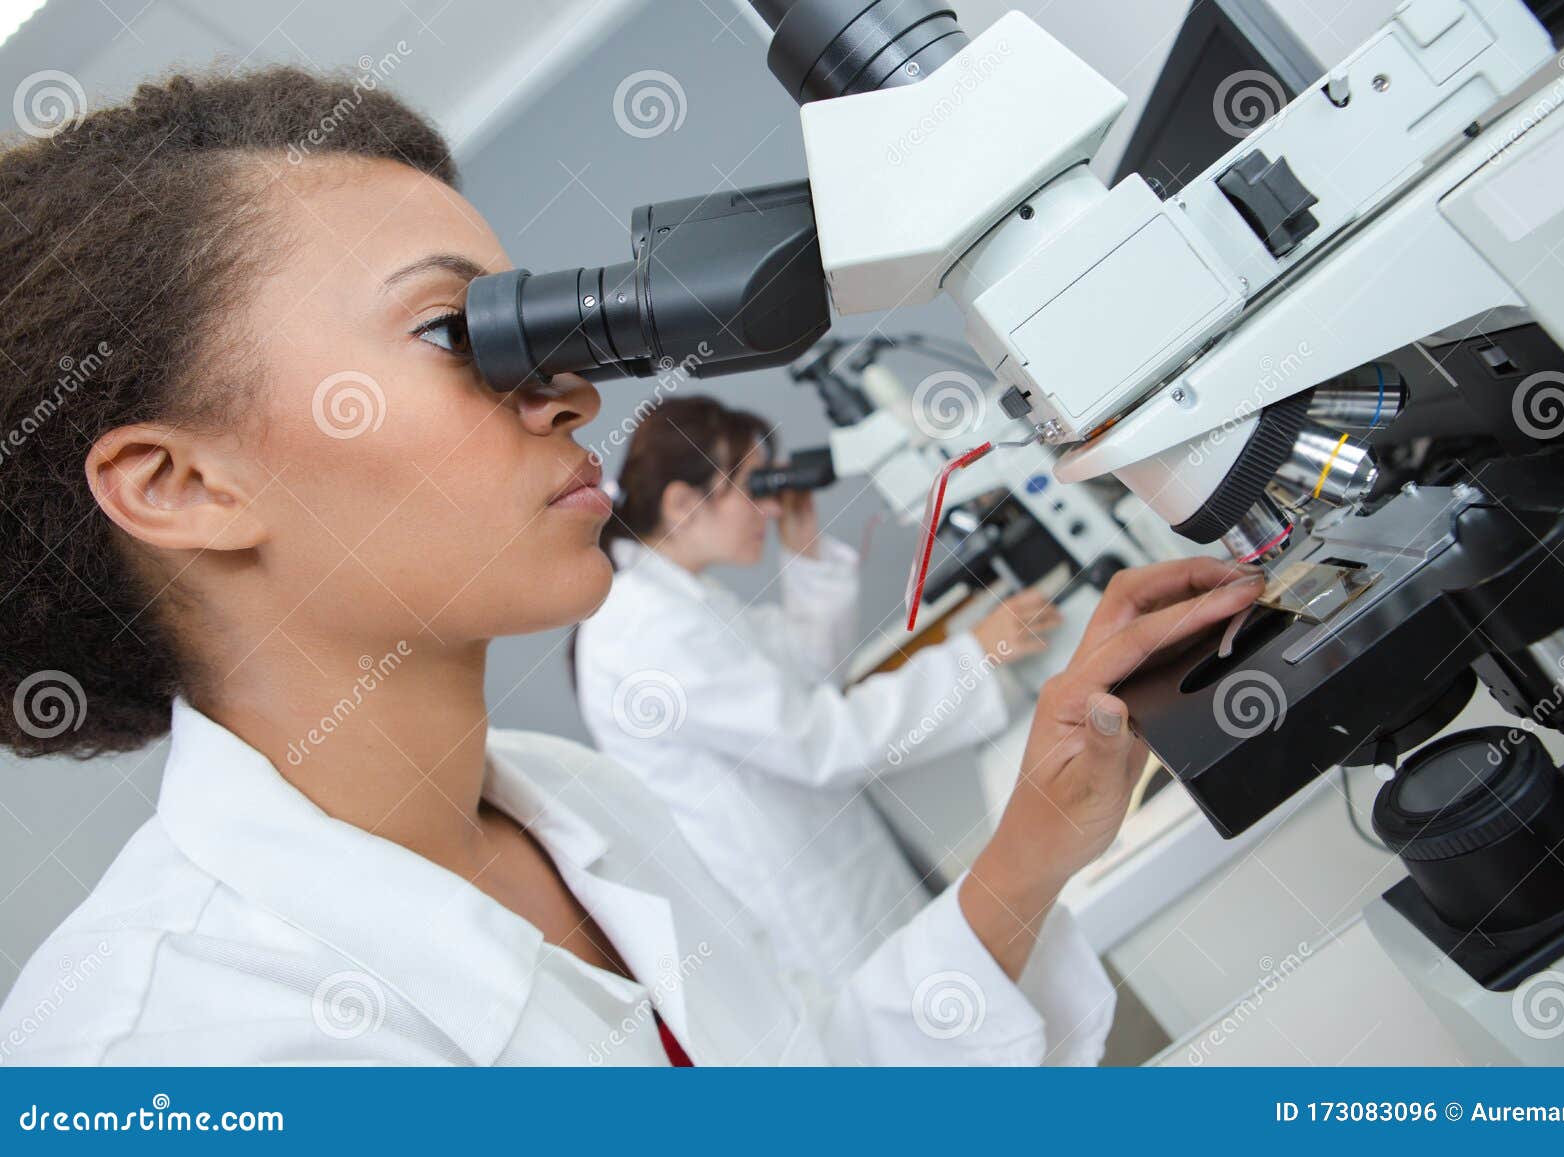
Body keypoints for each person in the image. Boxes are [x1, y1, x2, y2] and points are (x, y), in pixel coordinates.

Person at [0, 69, 1265, 1066]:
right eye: (455, 328)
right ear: (181, 485)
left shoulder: (575, 806)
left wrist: (1041, 827)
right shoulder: (167, 1055)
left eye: (524, 312)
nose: (561, 385)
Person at [576, 397, 1064, 984]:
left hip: (835, 872)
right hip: (812, 918)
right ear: (684, 503)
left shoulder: (681, 603)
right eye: (754, 486)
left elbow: (803, 679)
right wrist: (974, 656)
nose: (770, 505)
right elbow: (820, 739)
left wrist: (804, 554)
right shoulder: (646, 626)